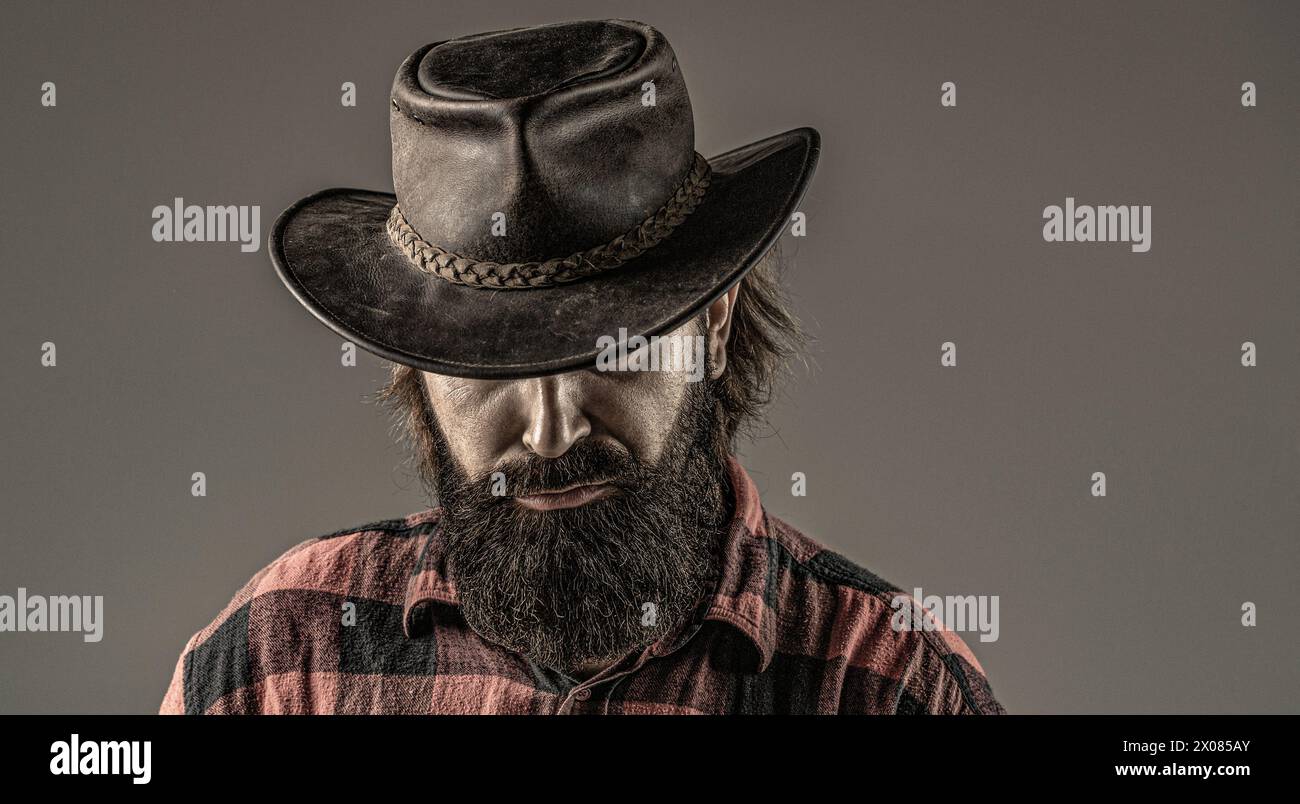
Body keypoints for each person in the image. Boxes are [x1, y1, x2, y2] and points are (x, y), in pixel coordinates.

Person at [161, 18, 1003, 715]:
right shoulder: (275, 667)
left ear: (713, 322)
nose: (552, 426)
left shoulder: (898, 687)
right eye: (489, 366)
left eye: (614, 352)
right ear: (417, 366)